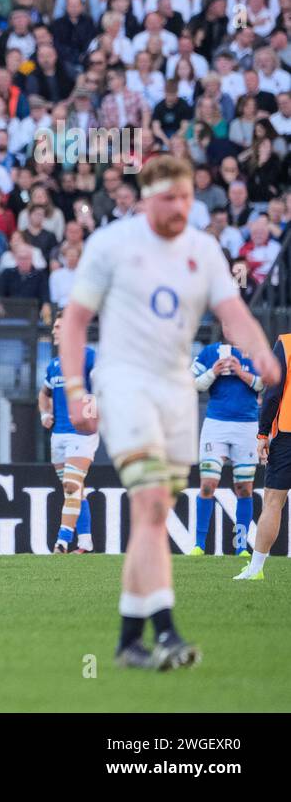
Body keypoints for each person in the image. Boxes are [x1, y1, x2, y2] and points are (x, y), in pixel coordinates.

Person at [60, 156, 279, 670]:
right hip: (125, 385)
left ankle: (128, 641)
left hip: (176, 392)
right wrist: (75, 391)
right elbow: (73, 323)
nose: (181, 208)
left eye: (187, 198)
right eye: (169, 199)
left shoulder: (202, 249)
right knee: (154, 505)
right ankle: (167, 632)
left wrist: (262, 353)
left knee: (153, 517)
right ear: (144, 198)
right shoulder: (111, 245)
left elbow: (233, 315)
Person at [189, 341, 262, 557]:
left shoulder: (257, 351)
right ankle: (199, 545)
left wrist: (241, 373)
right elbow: (191, 384)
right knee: (208, 484)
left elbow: (266, 384)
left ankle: (241, 546)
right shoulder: (210, 352)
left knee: (244, 488)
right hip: (216, 424)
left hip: (247, 425)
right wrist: (213, 372)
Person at [39, 312, 96, 554]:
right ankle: (85, 543)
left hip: (82, 434)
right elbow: (44, 394)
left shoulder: (89, 357)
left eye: (59, 326)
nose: (54, 331)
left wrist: (90, 413)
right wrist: (44, 414)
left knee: (72, 485)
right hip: (59, 436)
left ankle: (62, 541)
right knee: (74, 489)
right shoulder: (54, 364)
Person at [241, 332, 291, 580]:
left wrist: (262, 433)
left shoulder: (287, 342)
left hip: (288, 432)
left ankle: (255, 569)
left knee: (273, 501)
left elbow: (273, 390)